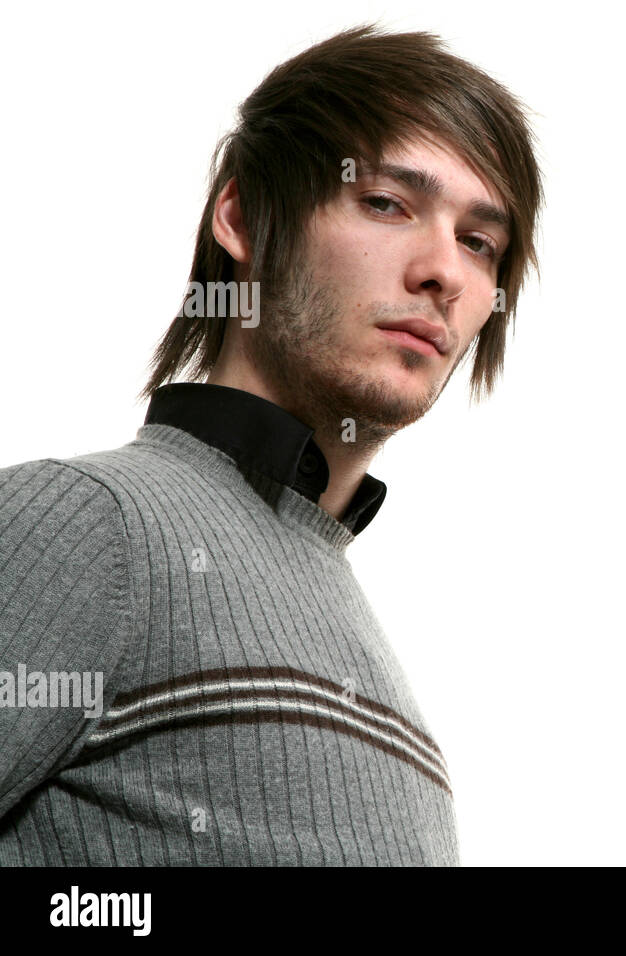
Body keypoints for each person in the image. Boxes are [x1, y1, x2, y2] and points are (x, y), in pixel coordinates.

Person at [0, 24, 543, 865]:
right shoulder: (84, 526)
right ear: (244, 218)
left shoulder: (394, 697)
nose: (444, 270)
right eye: (387, 204)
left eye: (480, 242)